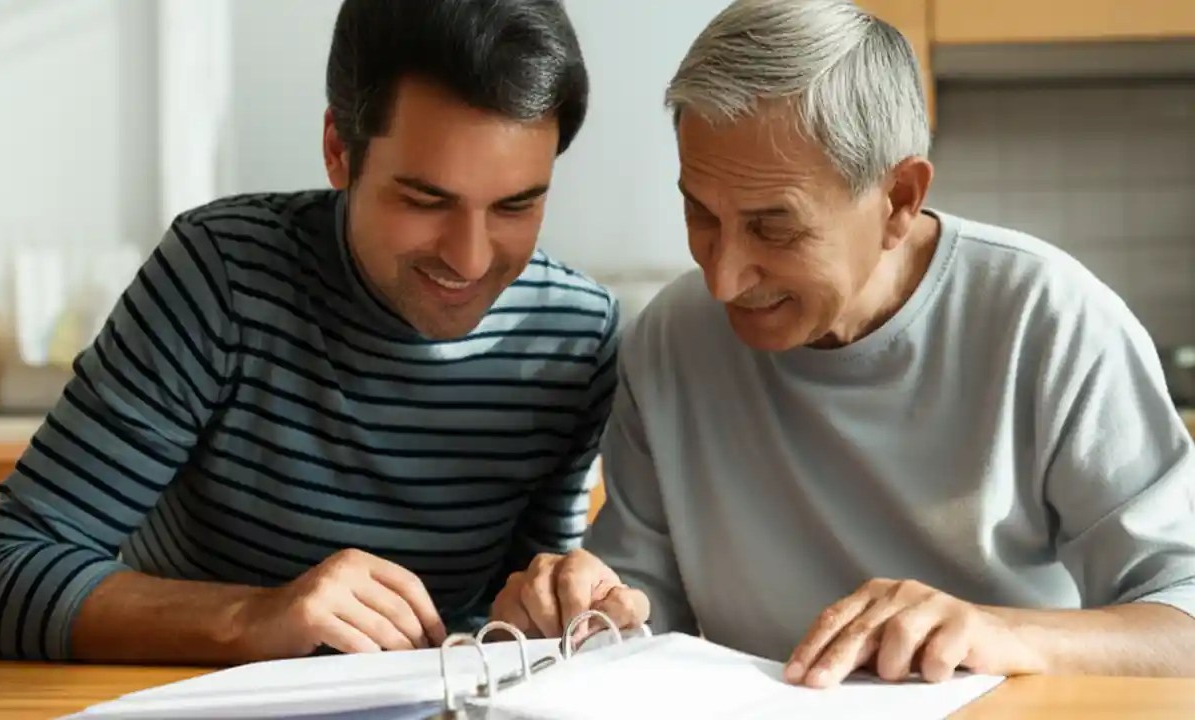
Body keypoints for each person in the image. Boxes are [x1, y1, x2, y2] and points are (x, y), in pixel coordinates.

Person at [491, 0, 1195, 689]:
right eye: (700, 213)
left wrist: (999, 632)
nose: (724, 276)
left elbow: (1184, 618)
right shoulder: (672, 340)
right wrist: (591, 606)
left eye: (774, 227)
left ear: (898, 200)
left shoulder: (1049, 322)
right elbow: (643, 598)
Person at [0, 0, 618, 665]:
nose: (470, 260)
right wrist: (254, 618)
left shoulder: (576, 338)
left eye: (517, 205)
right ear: (338, 151)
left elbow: (519, 618)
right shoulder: (222, 274)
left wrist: (554, 609)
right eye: (424, 200)